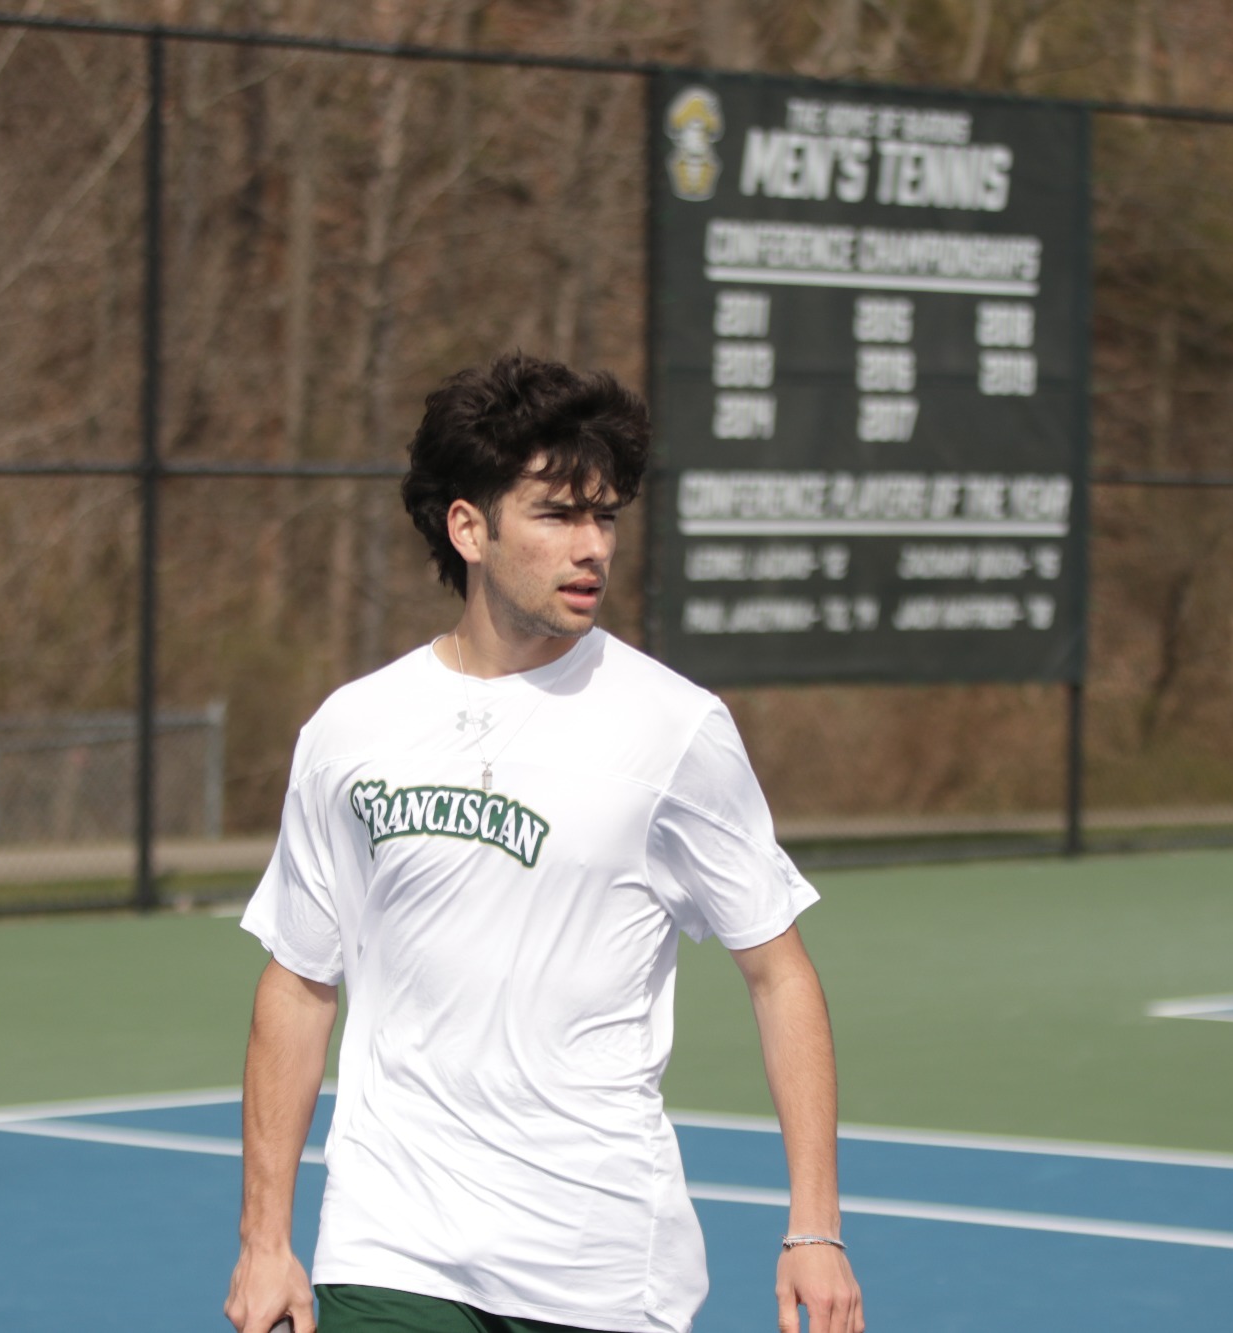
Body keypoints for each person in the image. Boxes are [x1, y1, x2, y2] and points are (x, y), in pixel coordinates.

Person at [225, 355, 864, 1333]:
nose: (591, 546)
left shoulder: (673, 728)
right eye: (557, 514)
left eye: (603, 516)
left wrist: (813, 1225)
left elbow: (779, 973)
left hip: (598, 1266)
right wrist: (264, 1242)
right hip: (393, 1246)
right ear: (468, 527)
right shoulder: (349, 732)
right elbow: (300, 981)